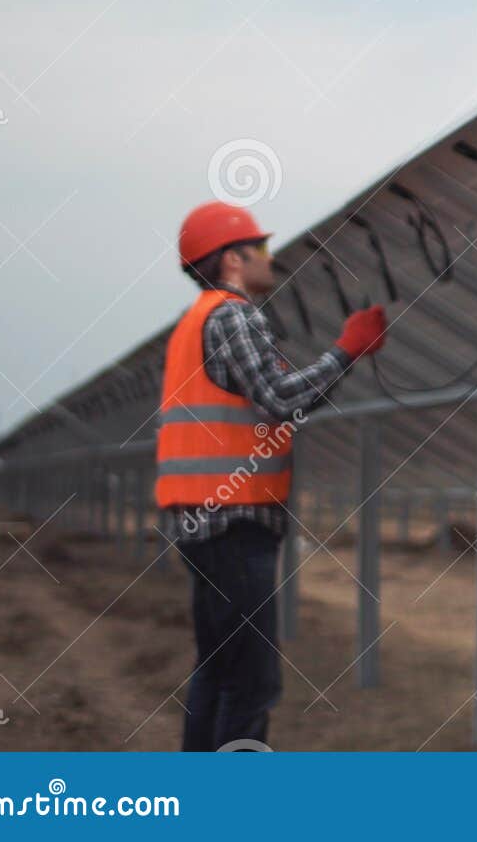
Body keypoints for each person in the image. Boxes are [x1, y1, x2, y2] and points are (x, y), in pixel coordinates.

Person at [156, 200, 387, 750]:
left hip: (205, 522)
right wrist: (347, 350)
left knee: (219, 670)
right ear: (232, 259)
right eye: (259, 247)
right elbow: (282, 398)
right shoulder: (231, 315)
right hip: (230, 525)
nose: (269, 255)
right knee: (252, 681)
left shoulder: (194, 324)